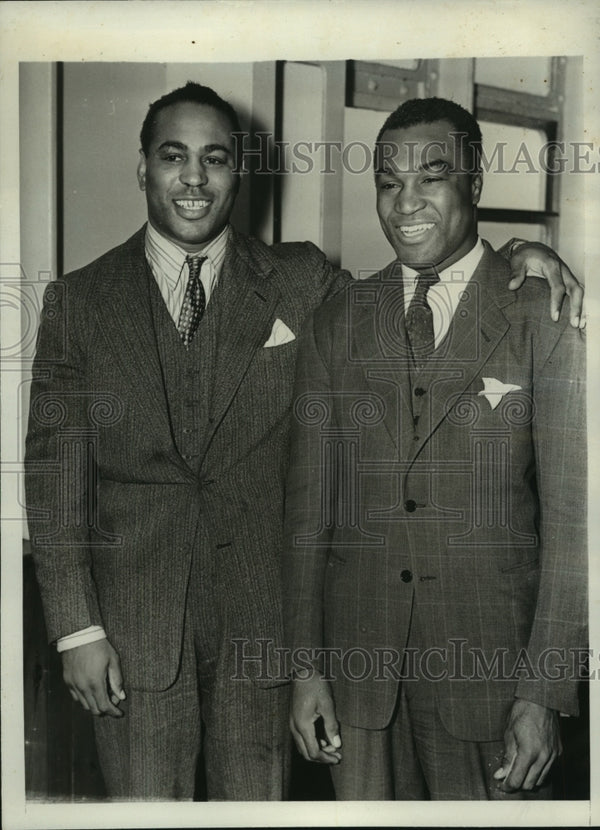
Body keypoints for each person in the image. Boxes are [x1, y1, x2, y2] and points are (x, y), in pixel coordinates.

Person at [25, 82, 583, 801]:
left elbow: (440, 271)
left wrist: (524, 252)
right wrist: (76, 629)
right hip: (134, 637)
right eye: (173, 156)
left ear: (238, 172)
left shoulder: (303, 282)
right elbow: (54, 479)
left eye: (215, 159)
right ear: (143, 168)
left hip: (265, 641)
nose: (195, 179)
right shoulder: (79, 301)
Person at [283, 97, 586, 801]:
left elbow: (576, 524)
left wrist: (544, 691)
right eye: (388, 182)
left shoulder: (544, 314)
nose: (406, 202)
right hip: (358, 684)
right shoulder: (337, 321)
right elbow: (306, 515)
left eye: (432, 177)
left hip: (494, 680)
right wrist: (305, 668)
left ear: (475, 184)